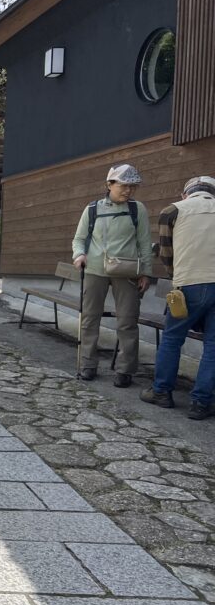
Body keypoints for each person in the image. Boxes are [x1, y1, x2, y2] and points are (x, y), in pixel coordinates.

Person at [141, 176, 215, 419]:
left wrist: (177, 277)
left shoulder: (172, 210)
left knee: (173, 338)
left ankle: (161, 392)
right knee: (213, 346)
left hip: (188, 285)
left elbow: (166, 252)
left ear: (186, 194)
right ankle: (201, 403)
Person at [71, 164, 152, 386]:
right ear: (110, 184)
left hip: (126, 271)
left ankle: (126, 370)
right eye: (124, 186)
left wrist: (146, 272)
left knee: (127, 321)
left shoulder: (138, 209)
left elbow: (144, 243)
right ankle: (88, 365)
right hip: (95, 269)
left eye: (132, 187)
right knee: (89, 319)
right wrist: (79, 255)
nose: (128, 191)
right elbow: (79, 239)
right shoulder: (93, 209)